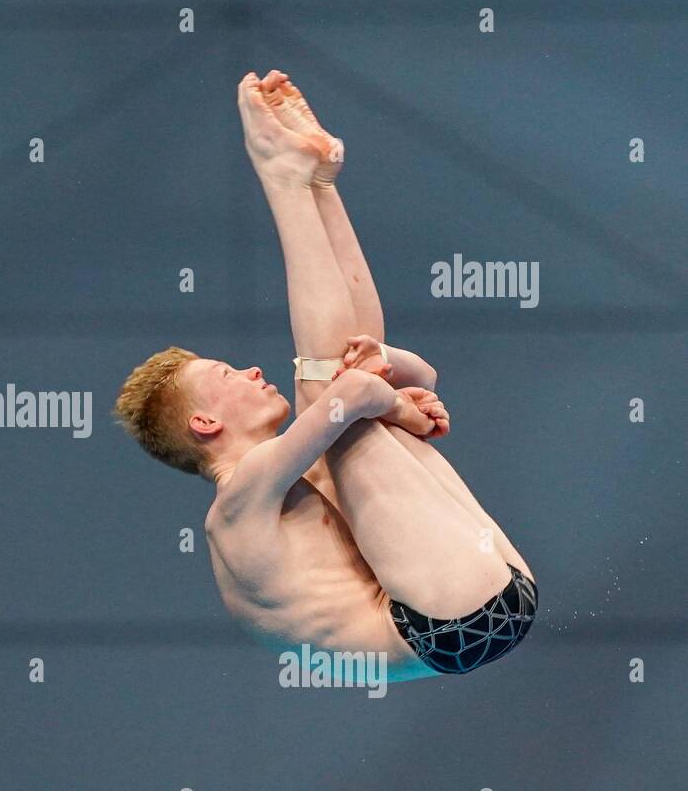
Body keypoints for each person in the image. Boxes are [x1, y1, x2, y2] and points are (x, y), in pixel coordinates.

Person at [115, 70, 537, 681]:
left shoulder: (297, 467)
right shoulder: (239, 498)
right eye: (227, 373)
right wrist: (391, 399)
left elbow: (394, 373)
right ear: (204, 423)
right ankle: (285, 178)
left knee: (341, 383)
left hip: (476, 604)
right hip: (448, 618)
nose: (249, 369)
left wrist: (394, 387)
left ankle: (315, 182)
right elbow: (363, 390)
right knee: (331, 393)